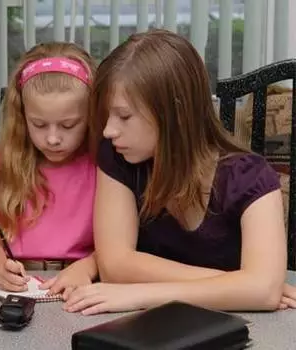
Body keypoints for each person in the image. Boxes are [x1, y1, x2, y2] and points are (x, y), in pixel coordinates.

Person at [64, 29, 296, 316]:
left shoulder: (252, 178)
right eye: (107, 115)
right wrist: (241, 285)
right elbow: (114, 266)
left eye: (124, 116)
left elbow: (262, 291)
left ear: (176, 114)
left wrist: (141, 294)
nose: (109, 130)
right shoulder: (117, 156)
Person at [0, 42, 98, 296]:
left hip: (82, 286)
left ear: (91, 116)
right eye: (39, 124)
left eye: (68, 125)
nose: (52, 138)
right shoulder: (1, 162)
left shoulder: (104, 168)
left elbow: (121, 243)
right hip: (19, 288)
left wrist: (87, 268)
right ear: (22, 117)